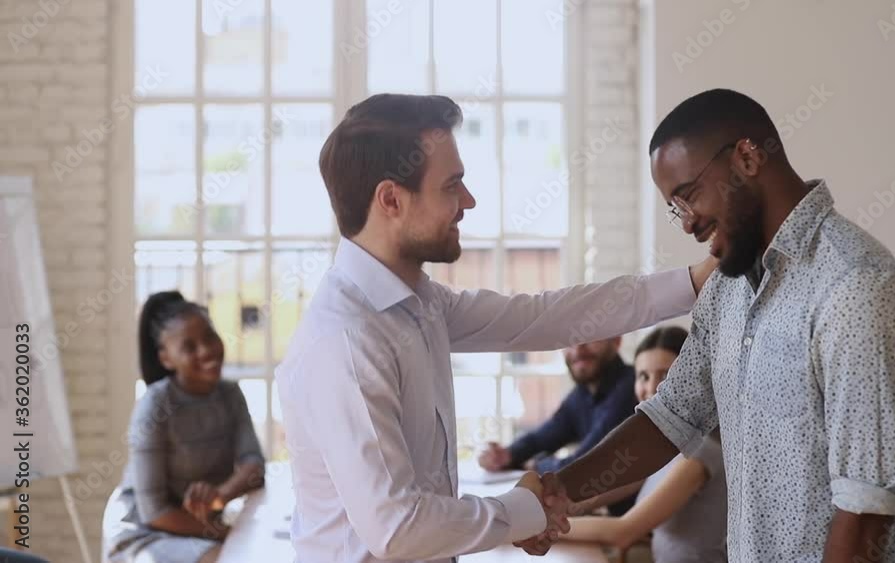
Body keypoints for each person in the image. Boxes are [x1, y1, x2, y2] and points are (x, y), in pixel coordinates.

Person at [273, 93, 718, 563]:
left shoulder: (420, 303)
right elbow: (399, 528)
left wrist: (693, 282)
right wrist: (525, 511)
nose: (468, 201)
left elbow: (544, 317)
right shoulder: (347, 339)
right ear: (391, 199)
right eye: (451, 186)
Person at [523, 88, 895, 562]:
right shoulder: (727, 289)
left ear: (747, 157)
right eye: (675, 207)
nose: (687, 222)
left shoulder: (856, 285)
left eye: (688, 195)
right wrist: (556, 491)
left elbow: (866, 509)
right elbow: (669, 419)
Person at [103, 291, 266, 563]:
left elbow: (255, 466)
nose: (206, 350)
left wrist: (219, 496)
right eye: (189, 346)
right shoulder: (154, 406)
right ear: (166, 358)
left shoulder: (230, 395)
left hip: (199, 530)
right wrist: (223, 533)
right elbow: (155, 513)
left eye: (209, 337)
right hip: (145, 533)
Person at [559, 326, 727, 563]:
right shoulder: (662, 448)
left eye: (665, 375)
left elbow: (622, 532)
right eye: (643, 376)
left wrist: (534, 528)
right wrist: (548, 509)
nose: (652, 388)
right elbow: (596, 493)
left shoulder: (701, 451)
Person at [477, 336, 641, 516]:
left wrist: (535, 465)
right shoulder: (582, 395)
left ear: (616, 341)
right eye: (570, 341)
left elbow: (582, 466)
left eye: (592, 337)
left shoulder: (630, 389)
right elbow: (542, 438)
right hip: (610, 519)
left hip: (641, 529)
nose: (578, 350)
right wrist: (505, 455)